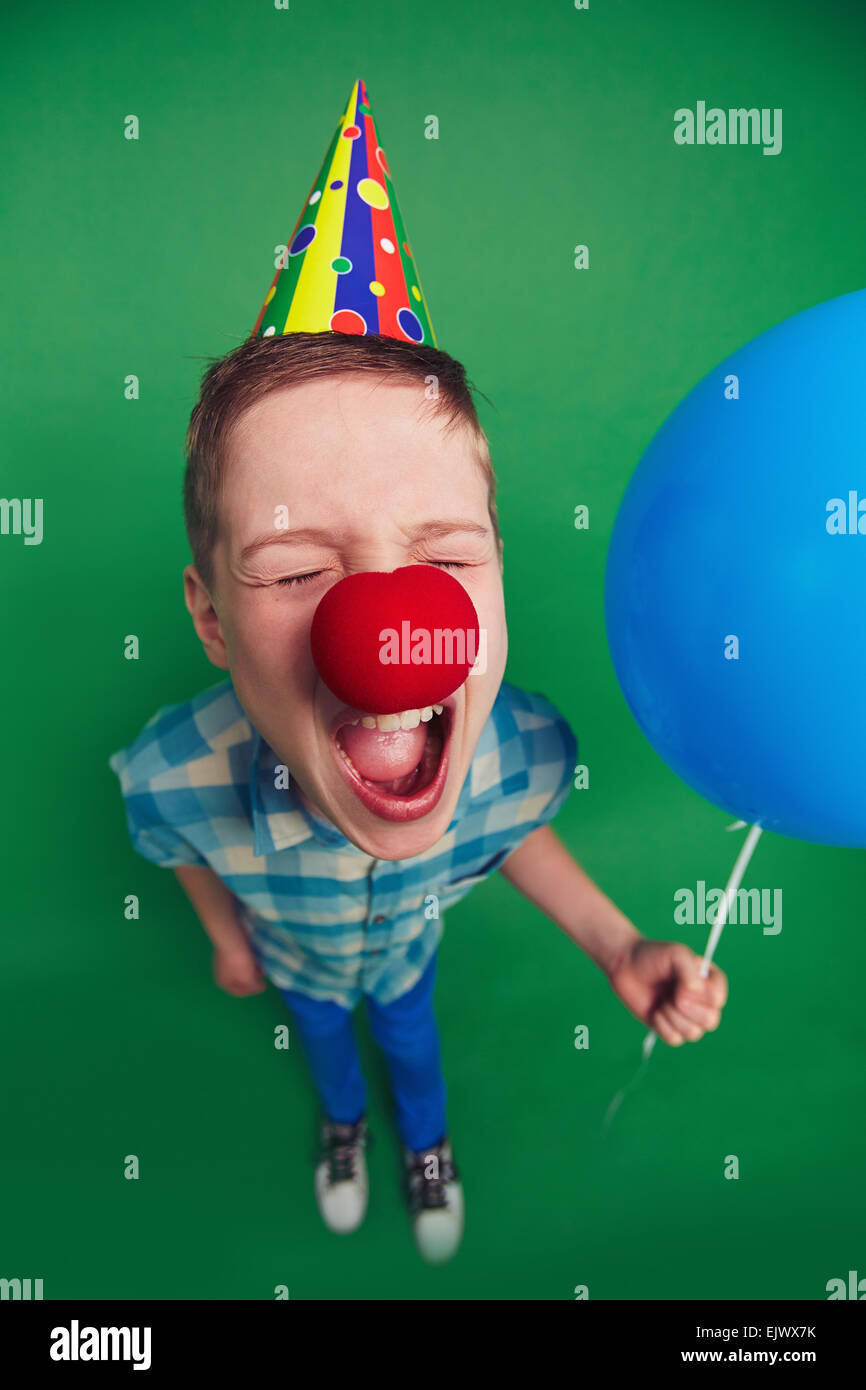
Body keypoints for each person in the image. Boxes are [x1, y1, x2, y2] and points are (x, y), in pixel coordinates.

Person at [108, 80, 728, 1268]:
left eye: (442, 556)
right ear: (213, 620)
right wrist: (227, 943)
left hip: (404, 948)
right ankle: (340, 1129)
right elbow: (175, 842)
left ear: (495, 570)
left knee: (409, 1037)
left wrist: (615, 948)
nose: (381, 629)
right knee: (327, 1049)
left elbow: (506, 832)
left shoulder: (509, 750)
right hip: (292, 957)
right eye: (295, 573)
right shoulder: (178, 773)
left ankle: (422, 1143)